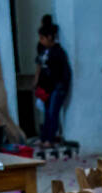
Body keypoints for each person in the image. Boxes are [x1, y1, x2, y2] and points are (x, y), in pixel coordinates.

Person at [35, 16, 71, 149]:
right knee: (46, 113)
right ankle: (44, 137)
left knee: (52, 112)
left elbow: (60, 73)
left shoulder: (58, 52)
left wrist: (57, 87)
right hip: (47, 88)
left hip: (57, 87)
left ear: (49, 37)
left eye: (42, 38)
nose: (41, 41)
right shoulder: (43, 50)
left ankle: (50, 139)